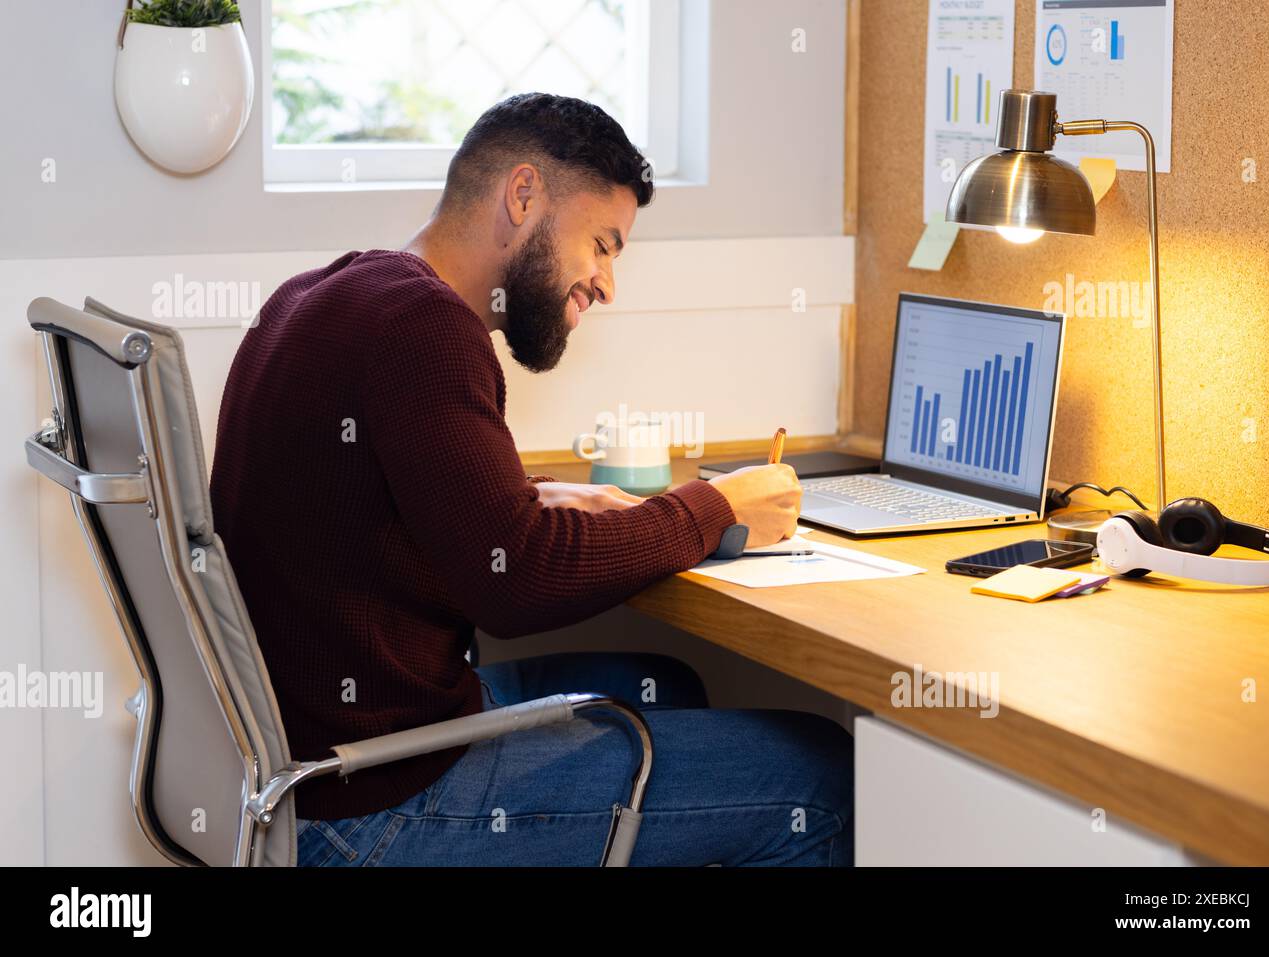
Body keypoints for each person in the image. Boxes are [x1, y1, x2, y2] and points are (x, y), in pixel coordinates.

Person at [210, 92, 852, 866]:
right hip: (375, 803)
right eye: (603, 244)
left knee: (661, 680)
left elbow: (383, 505)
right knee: (823, 777)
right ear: (523, 196)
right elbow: (517, 580)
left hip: (299, 770)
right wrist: (712, 505)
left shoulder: (323, 294)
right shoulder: (425, 329)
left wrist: (532, 496)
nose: (608, 284)